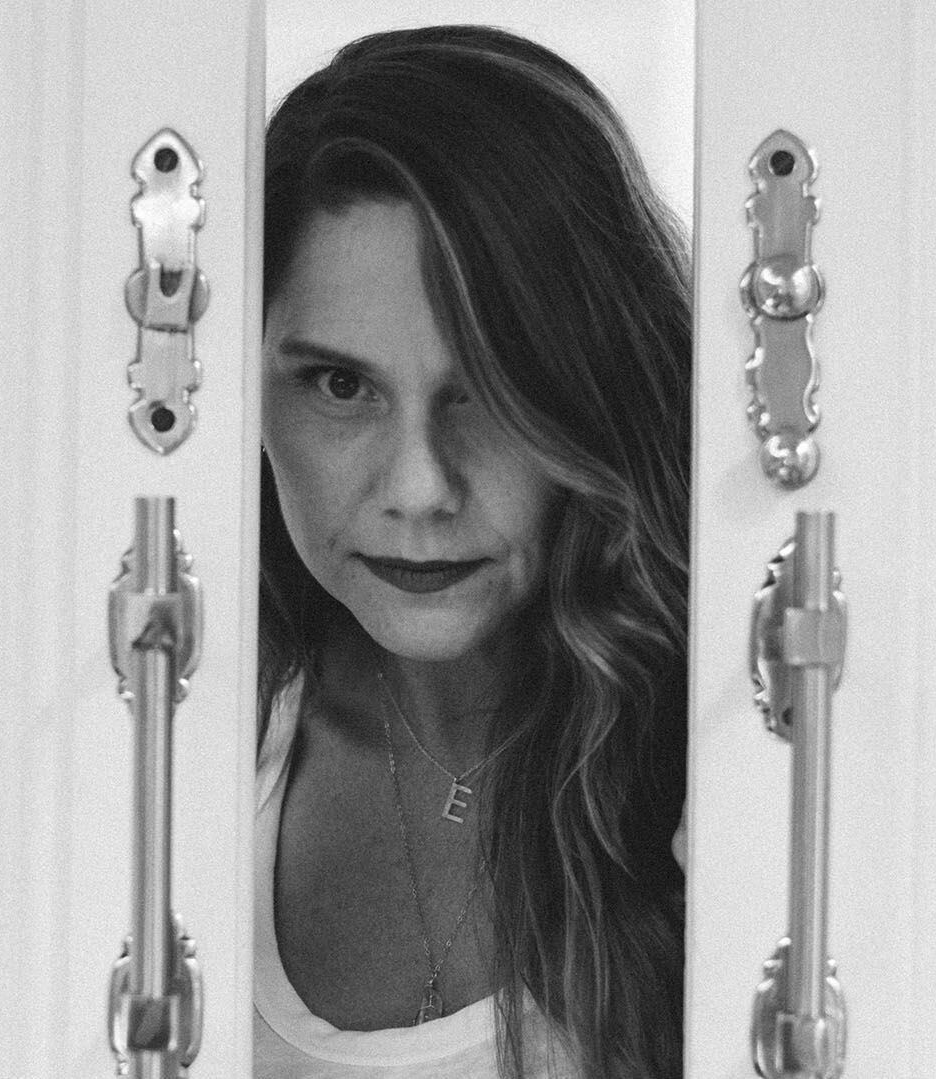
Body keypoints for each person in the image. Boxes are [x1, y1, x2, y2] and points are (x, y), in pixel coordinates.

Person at [255, 25, 692, 1079]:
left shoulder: (720, 756)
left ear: (594, 394)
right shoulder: (171, 738)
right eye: (341, 386)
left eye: (487, 389)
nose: (419, 488)